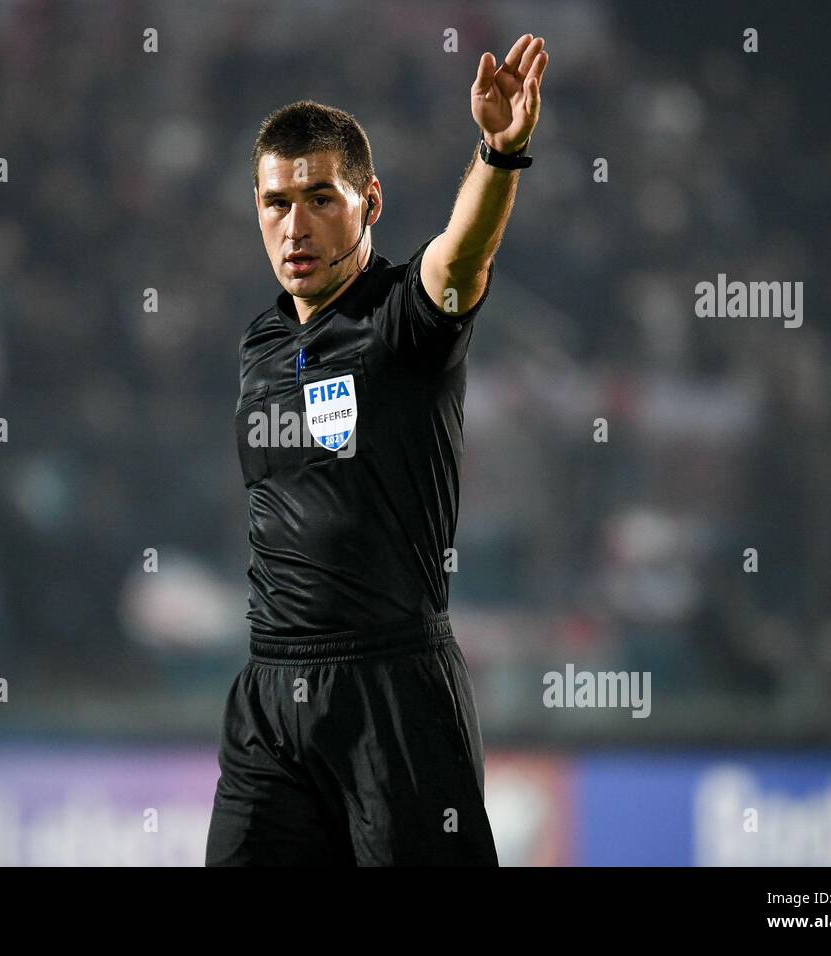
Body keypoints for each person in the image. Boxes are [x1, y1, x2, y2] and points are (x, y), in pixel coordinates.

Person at [206, 35, 549, 866]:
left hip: (391, 693)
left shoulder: (401, 323)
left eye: (322, 198)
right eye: (277, 202)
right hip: (270, 698)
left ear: (371, 202)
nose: (296, 225)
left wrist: (500, 156)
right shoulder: (260, 340)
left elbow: (460, 257)